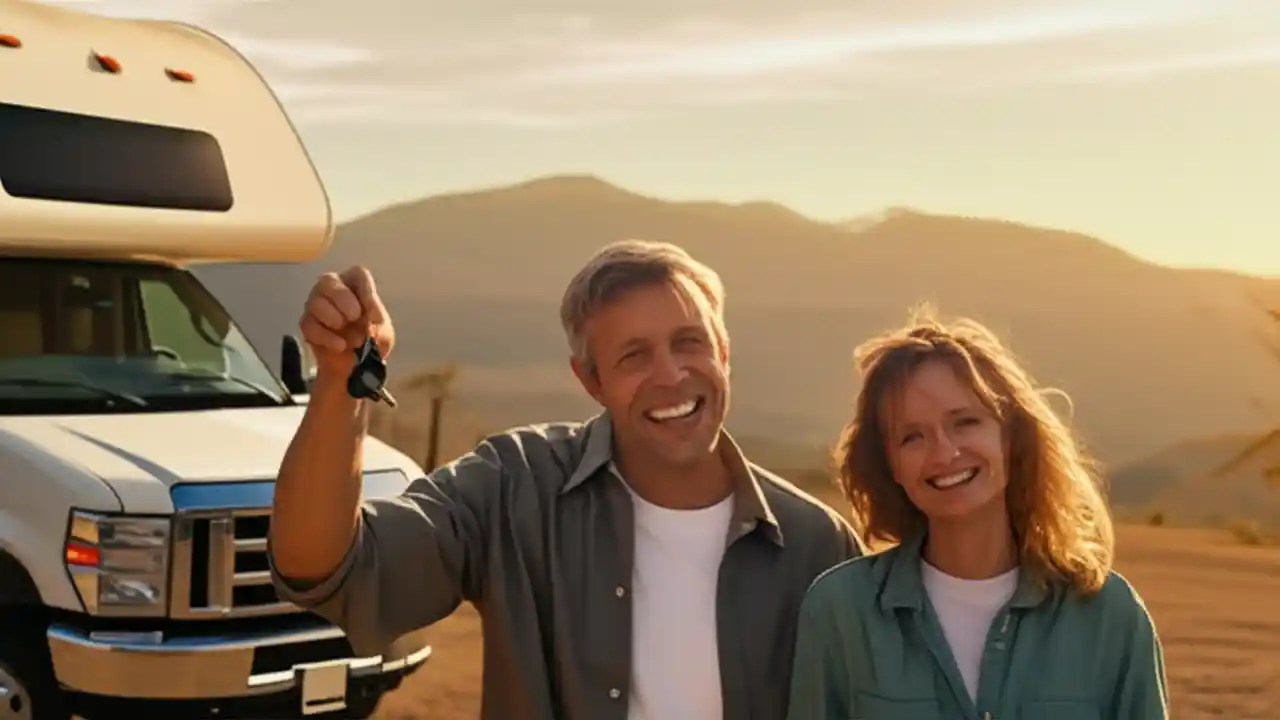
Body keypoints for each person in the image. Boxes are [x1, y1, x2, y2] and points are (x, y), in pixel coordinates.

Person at [267, 239, 865, 720]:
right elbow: (328, 568)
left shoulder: (818, 546)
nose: (671, 375)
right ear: (591, 381)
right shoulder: (512, 486)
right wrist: (341, 383)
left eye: (690, 343)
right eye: (634, 356)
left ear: (725, 353)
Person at [786, 308, 1169, 719]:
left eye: (965, 423)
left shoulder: (1109, 616)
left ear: (1011, 437)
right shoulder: (841, 612)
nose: (944, 453)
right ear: (890, 465)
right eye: (912, 437)